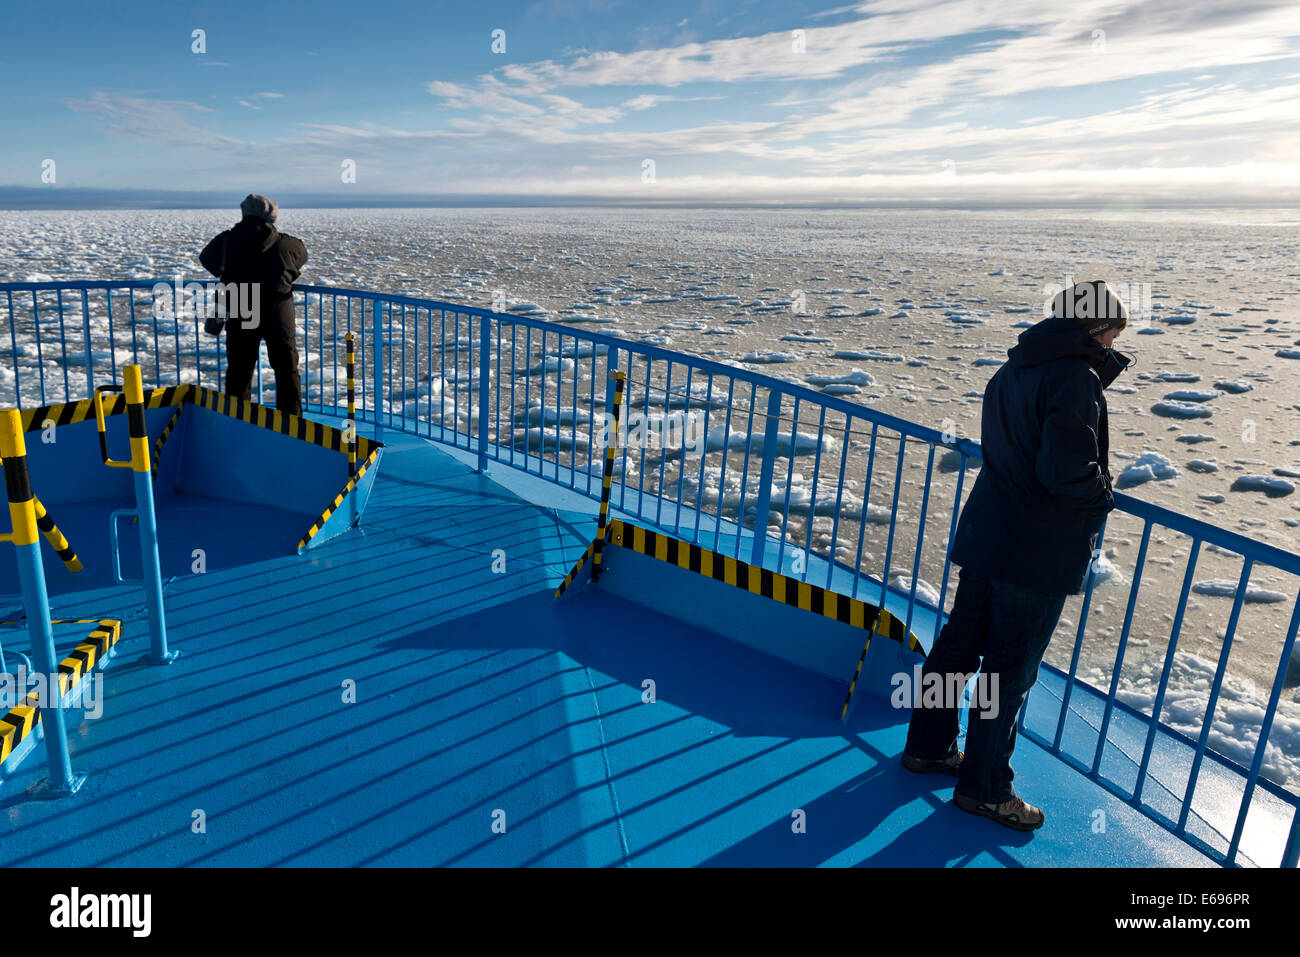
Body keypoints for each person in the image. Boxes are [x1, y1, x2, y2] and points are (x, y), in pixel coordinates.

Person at [901, 279, 1134, 831]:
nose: (1113, 346)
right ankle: (984, 788)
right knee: (1008, 671)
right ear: (1094, 330)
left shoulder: (1013, 368)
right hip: (1034, 549)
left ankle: (928, 747)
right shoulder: (1076, 376)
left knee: (958, 646)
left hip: (989, 531)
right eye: (1114, 334)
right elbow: (1064, 469)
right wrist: (1101, 498)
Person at [199, 194, 308, 418]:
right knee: (287, 372)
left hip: (241, 313)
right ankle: (292, 423)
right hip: (278, 316)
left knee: (239, 373)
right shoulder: (287, 244)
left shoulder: (226, 242)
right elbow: (301, 257)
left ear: (245, 212)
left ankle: (238, 422)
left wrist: (228, 273)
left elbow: (206, 258)